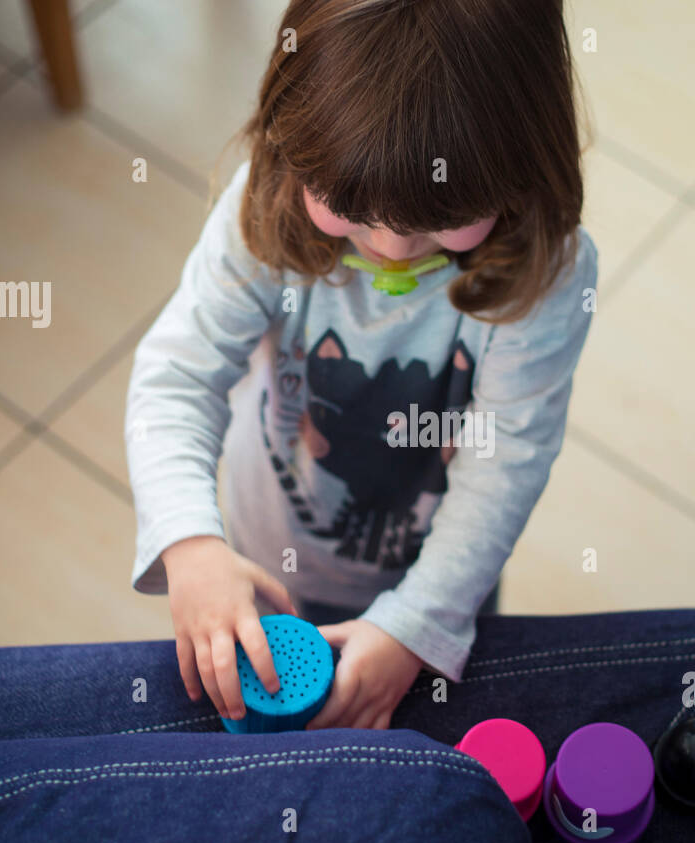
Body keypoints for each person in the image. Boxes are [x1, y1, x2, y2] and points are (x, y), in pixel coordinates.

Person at [126, 0, 597, 731]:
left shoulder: (551, 276)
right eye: (351, 204)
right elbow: (177, 378)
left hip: (439, 573)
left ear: (524, 156)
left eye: (440, 217)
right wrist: (189, 544)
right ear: (294, 134)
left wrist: (418, 621)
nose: (390, 247)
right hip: (268, 555)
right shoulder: (262, 210)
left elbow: (507, 458)